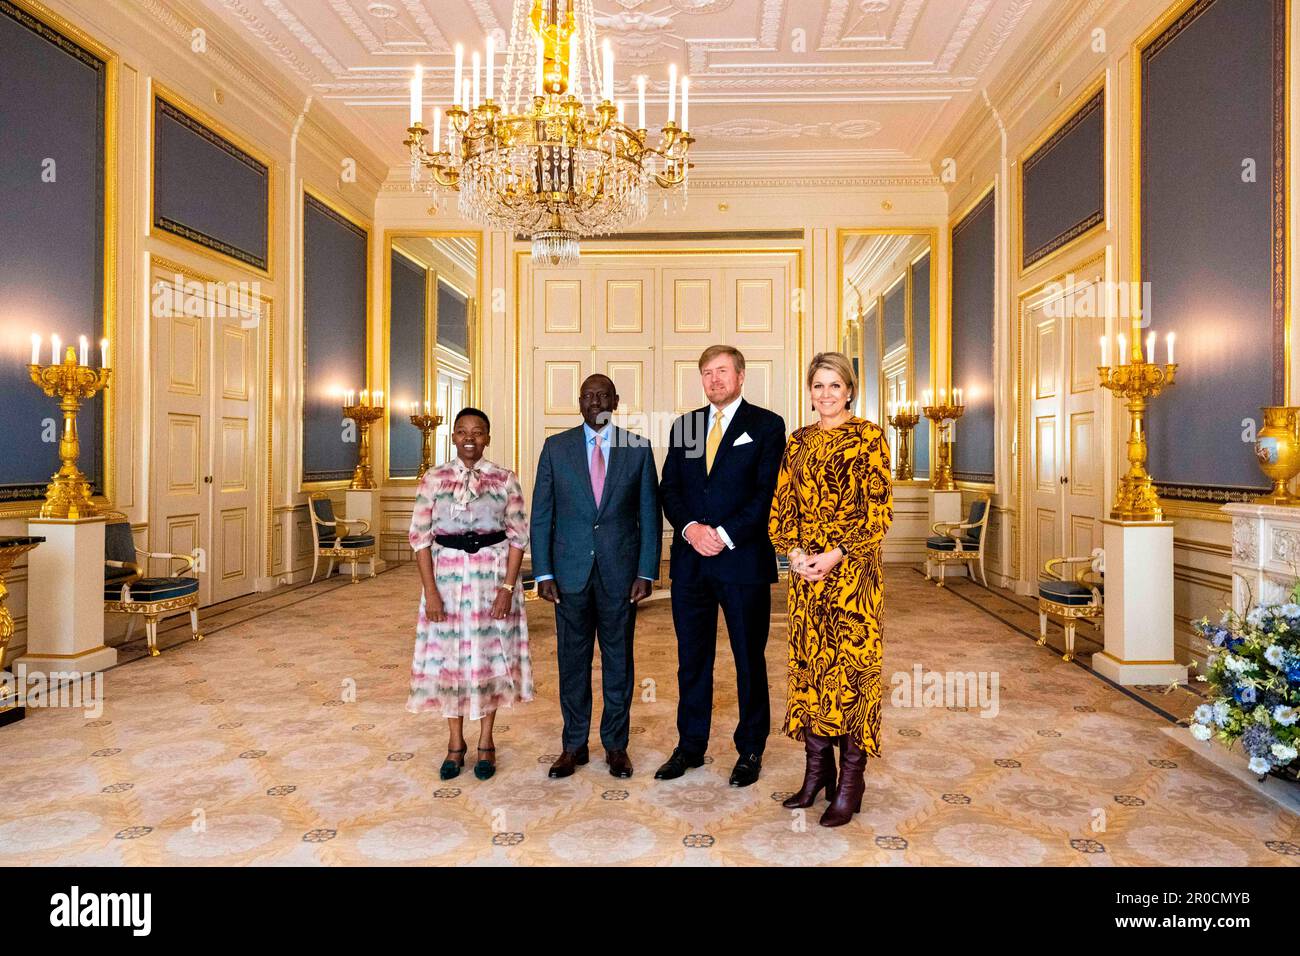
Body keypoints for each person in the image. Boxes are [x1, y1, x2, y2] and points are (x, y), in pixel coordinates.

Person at [769, 352, 893, 827]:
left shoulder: (870, 437)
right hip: (806, 580)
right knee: (811, 672)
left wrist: (836, 553)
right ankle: (816, 772)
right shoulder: (797, 442)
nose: (826, 394)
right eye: (818, 386)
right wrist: (796, 555)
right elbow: (781, 509)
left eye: (834, 386)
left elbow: (879, 512)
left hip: (853, 577)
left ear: (850, 390)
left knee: (853, 674)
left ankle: (851, 783)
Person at [657, 345, 786, 787]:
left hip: (743, 562)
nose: (714, 380)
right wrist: (692, 529)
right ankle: (690, 746)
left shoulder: (766, 426)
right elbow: (668, 488)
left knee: (749, 659)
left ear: (741, 376)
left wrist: (724, 535)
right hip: (692, 563)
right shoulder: (687, 426)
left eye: (722, 372)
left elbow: (765, 494)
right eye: (707, 373)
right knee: (692, 660)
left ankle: (750, 748)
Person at [530, 373, 661, 779]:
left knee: (619, 662)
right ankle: (573, 745)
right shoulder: (556, 448)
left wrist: (646, 571)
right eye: (588, 395)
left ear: (615, 401)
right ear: (579, 401)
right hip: (568, 576)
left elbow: (649, 516)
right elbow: (542, 515)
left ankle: (616, 746)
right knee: (572, 662)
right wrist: (544, 571)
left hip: (620, 575)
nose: (595, 401)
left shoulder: (637, 449)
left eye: (603, 395)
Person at [407, 407, 531, 783]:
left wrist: (508, 589)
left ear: (488, 437)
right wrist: (430, 591)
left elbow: (518, 537)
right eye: (461, 431)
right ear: (453, 437)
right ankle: (455, 744)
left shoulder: (504, 479)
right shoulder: (434, 479)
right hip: (445, 582)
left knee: (489, 660)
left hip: (492, 583)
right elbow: (420, 537)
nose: (469, 438)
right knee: (450, 661)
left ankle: (486, 743)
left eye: (477, 432)